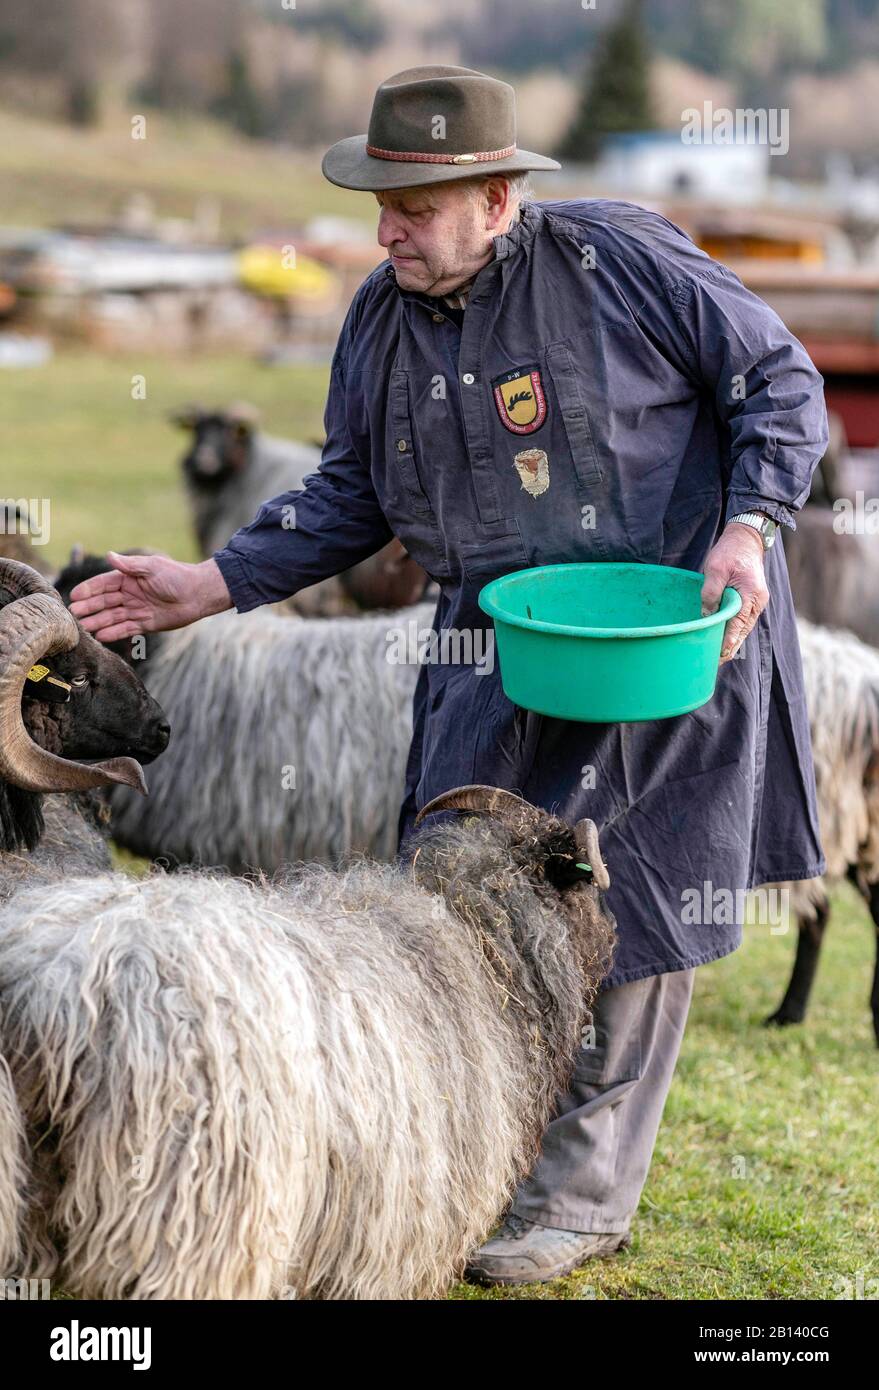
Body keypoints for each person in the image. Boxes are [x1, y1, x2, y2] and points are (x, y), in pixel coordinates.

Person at [71, 64, 828, 1287]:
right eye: (379, 203)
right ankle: (476, 1146)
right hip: (497, 635)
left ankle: (583, 1196)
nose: (385, 230)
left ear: (493, 195)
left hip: (672, 626)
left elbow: (777, 382)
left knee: (626, 899)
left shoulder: (619, 262)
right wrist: (210, 585)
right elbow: (350, 497)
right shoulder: (378, 319)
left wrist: (752, 527)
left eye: (411, 207)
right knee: (454, 878)